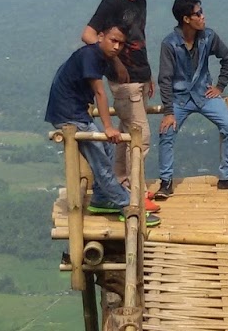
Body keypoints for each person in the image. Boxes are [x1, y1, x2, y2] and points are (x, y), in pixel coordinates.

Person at [45, 23, 160, 224]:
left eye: (120, 44)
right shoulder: (91, 57)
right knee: (102, 164)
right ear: (100, 37)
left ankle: (100, 198)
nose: (116, 47)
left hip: (76, 111)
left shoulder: (101, 57)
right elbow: (100, 92)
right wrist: (108, 127)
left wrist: (120, 64)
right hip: (68, 114)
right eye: (113, 40)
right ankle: (129, 207)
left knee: (107, 150)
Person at [156, 0, 228, 198]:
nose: (203, 16)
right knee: (166, 133)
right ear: (186, 19)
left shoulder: (208, 37)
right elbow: (164, 79)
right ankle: (166, 182)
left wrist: (219, 86)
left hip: (204, 93)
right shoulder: (170, 44)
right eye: (198, 13)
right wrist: (168, 111)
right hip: (180, 98)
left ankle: (226, 177)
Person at [81, 0, 153, 185]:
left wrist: (148, 74)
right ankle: (137, 192)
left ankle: (121, 181)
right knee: (140, 137)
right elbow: (89, 34)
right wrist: (114, 60)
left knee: (127, 133)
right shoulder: (112, 2)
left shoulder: (140, 1)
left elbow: (139, 38)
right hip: (123, 81)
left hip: (140, 77)